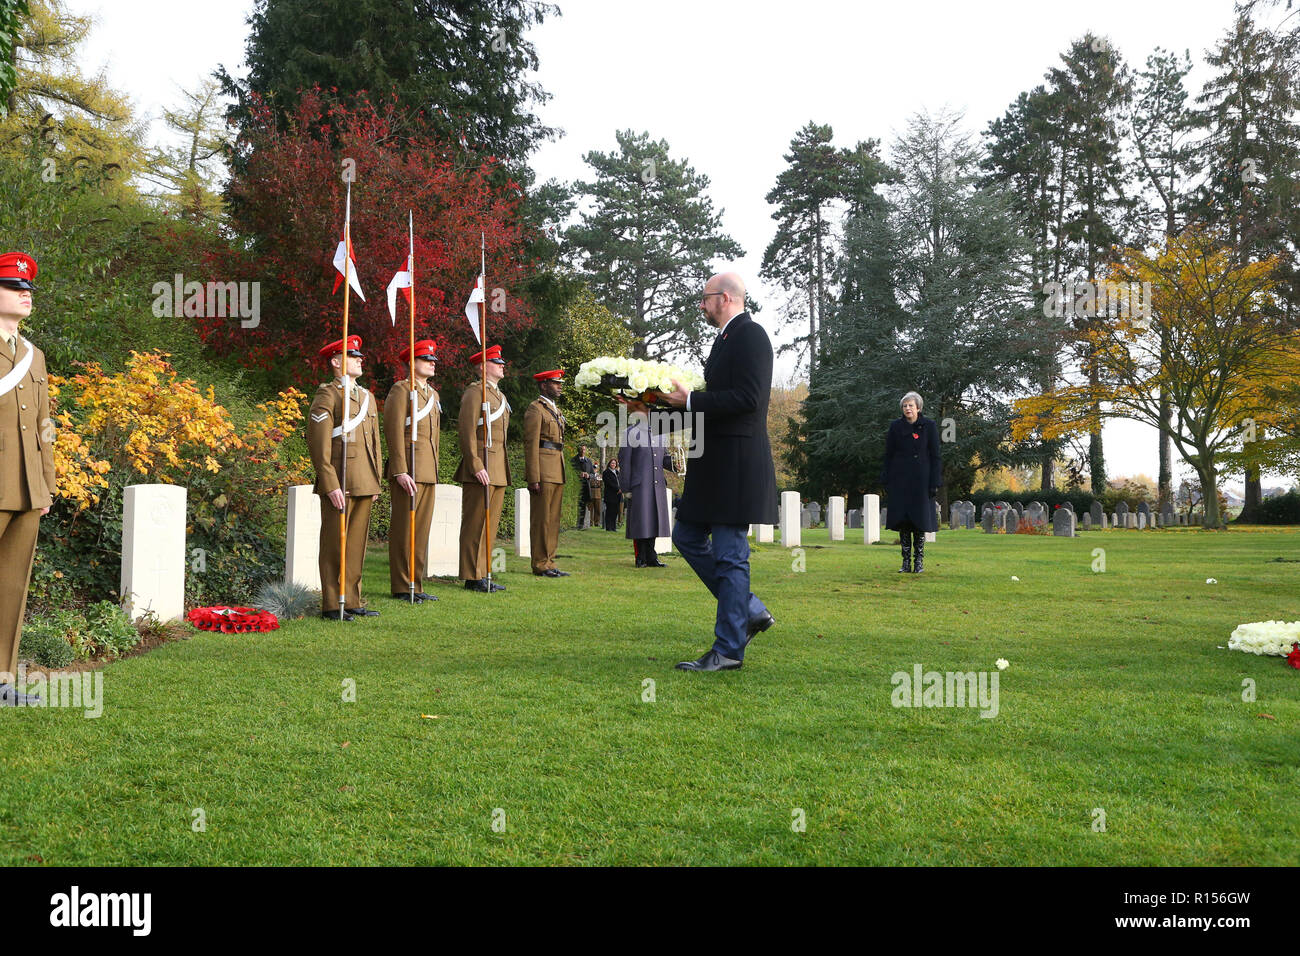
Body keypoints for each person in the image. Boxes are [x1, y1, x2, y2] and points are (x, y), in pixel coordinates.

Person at [659, 272, 777, 672]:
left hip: (737, 465)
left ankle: (728, 649)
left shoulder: (752, 336)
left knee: (729, 554)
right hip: (713, 464)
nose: (701, 305)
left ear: (724, 298)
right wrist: (657, 410)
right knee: (687, 535)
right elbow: (708, 406)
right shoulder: (723, 339)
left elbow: (748, 399)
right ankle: (750, 609)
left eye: (705, 298)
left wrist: (690, 398)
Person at [0, 253, 54, 707]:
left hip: (27, 487)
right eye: (14, 286)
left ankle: (0, 681)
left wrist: (47, 484)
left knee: (12, 585)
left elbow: (44, 426)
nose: (25, 294)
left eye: (29, 289)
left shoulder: (34, 356)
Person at [308, 335, 383, 621]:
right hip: (340, 478)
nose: (360, 359)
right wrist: (329, 482)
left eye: (360, 356)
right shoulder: (329, 394)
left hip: (364, 478)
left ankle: (352, 599)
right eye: (353, 356)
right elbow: (319, 442)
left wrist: (375, 478)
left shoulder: (367, 397)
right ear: (337, 362)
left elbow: (374, 441)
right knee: (334, 543)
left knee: (356, 545)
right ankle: (331, 603)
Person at [384, 338, 441, 603]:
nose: (431, 364)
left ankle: (416, 584)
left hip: (427, 467)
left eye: (432, 360)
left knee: (421, 531)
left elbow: (434, 437)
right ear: (412, 363)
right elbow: (394, 431)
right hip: (409, 468)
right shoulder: (401, 390)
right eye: (426, 360)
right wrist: (399, 469)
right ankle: (401, 584)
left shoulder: (432, 394)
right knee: (405, 529)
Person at [455, 344, 510, 592]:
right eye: (496, 362)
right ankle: (471, 575)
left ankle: (483, 572)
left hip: (497, 466)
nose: (502, 365)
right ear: (482, 367)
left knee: (490, 524)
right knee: (475, 522)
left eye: (501, 362)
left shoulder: (498, 395)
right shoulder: (476, 392)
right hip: (482, 465)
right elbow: (466, 431)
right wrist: (475, 463)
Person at [879, 391, 942, 573]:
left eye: (910, 406)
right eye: (905, 406)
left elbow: (935, 456)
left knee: (919, 522)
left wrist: (934, 482)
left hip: (922, 480)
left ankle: (919, 562)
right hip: (900, 480)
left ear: (918, 408)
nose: (907, 408)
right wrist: (886, 478)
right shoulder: (895, 427)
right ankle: (906, 562)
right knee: (904, 521)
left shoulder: (929, 426)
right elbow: (889, 455)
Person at [523, 368, 569, 577]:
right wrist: (533, 477)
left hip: (556, 468)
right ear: (544, 385)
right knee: (541, 519)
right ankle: (540, 563)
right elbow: (531, 444)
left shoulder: (554, 410)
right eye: (555, 383)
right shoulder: (535, 409)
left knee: (553, 519)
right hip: (543, 470)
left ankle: (550, 561)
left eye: (560, 383)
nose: (560, 386)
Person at [619, 402, 672, 566]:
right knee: (641, 522)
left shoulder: (661, 435)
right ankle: (640, 556)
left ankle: (651, 556)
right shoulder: (630, 433)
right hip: (639, 484)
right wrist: (626, 487)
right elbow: (625, 462)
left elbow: (664, 459)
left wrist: (675, 463)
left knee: (654, 520)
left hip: (657, 484)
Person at [573, 444, 596, 527]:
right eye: (581, 449)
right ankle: (573, 523)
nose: (582, 451)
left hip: (585, 487)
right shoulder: (573, 460)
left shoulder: (588, 461)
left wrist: (589, 475)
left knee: (583, 505)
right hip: (575, 486)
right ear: (578, 450)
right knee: (575, 505)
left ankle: (581, 524)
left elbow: (593, 474)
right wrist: (579, 474)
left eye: (584, 450)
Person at [602, 457, 621, 531]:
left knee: (615, 512)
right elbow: (609, 483)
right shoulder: (606, 472)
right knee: (610, 511)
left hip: (617, 495)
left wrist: (621, 488)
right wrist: (618, 489)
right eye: (612, 463)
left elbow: (620, 481)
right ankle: (608, 527)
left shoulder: (617, 472)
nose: (613, 464)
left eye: (614, 463)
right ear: (609, 464)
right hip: (610, 495)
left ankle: (613, 527)